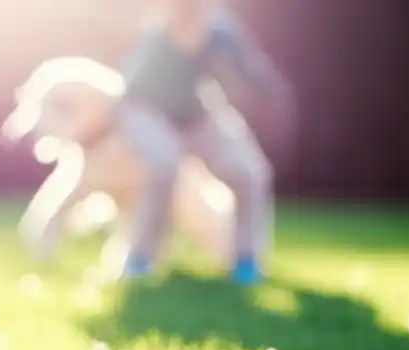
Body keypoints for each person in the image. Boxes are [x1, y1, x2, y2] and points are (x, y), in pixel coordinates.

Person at [113, 0, 294, 284]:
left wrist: (272, 91)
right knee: (164, 165)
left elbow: (251, 69)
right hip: (145, 110)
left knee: (249, 173)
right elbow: (131, 83)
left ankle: (246, 261)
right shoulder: (155, 29)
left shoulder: (221, 30)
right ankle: (139, 258)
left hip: (196, 113)